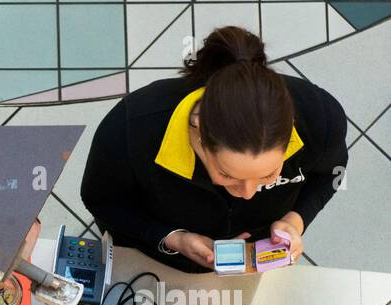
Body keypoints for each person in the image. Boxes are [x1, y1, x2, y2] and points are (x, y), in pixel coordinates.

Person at [81, 26, 347, 272]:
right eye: (228, 174)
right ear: (197, 127)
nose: (248, 193)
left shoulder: (321, 118)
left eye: (268, 174)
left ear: (290, 128)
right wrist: (172, 238)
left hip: (258, 262)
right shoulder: (132, 127)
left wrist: (295, 220)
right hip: (156, 257)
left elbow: (330, 174)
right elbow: (102, 200)